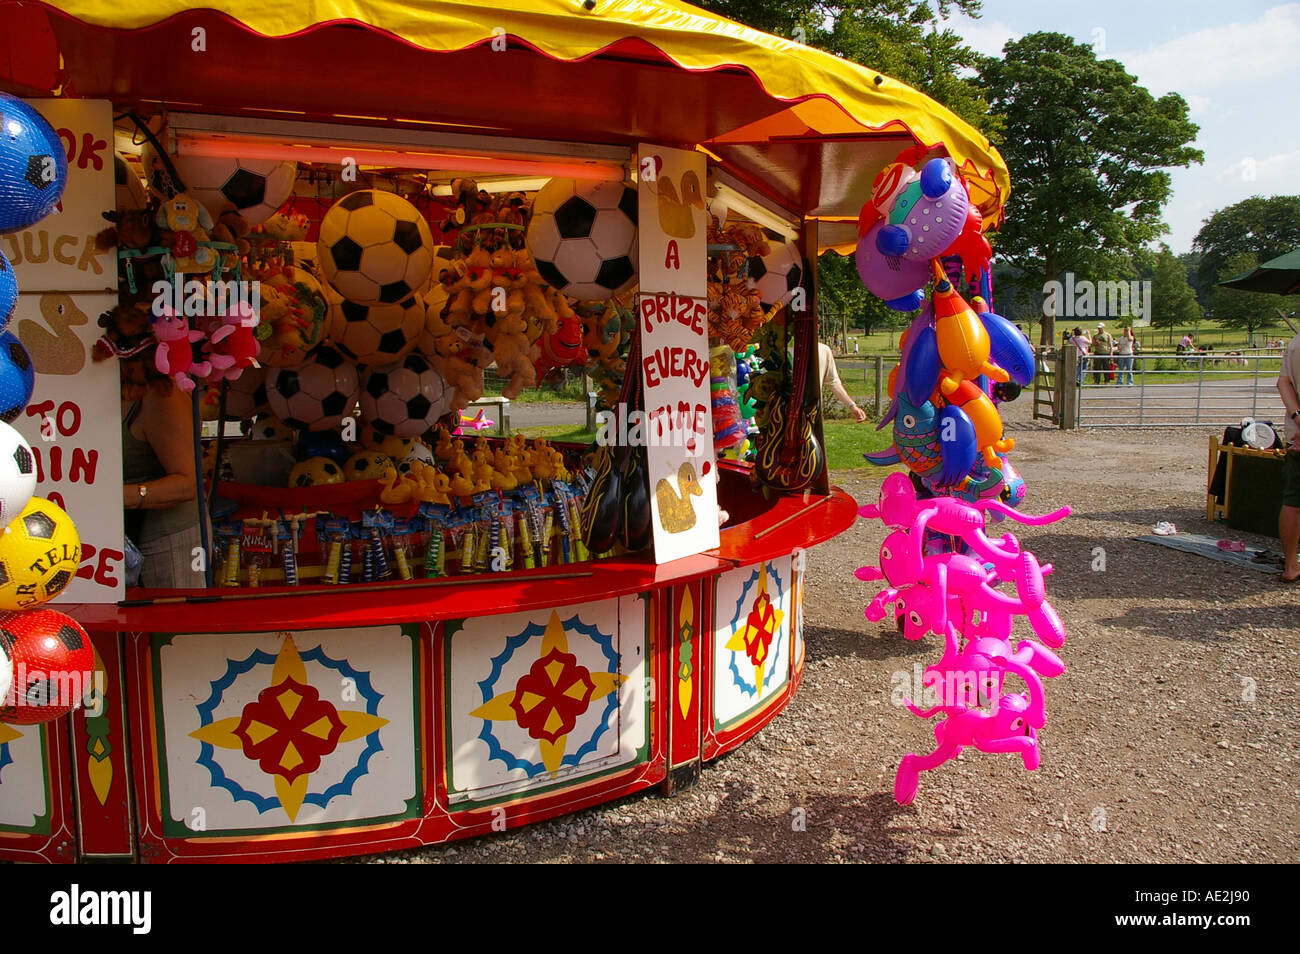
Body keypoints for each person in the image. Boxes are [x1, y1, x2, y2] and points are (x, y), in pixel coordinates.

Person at [121, 355, 205, 589]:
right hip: (117, 533)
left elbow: (188, 482)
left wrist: (112, 496)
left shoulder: (160, 395)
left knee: (174, 622)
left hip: (167, 537)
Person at [1277, 329, 1300, 582]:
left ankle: (1291, 564)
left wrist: (1297, 419)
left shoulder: (1296, 343)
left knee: (1293, 501)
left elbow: (1283, 382)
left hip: (1296, 436)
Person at [817, 340, 866, 422]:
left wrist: (852, 406)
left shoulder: (823, 350)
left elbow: (833, 381)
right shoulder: (788, 349)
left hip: (812, 414)